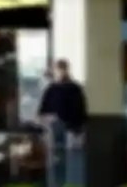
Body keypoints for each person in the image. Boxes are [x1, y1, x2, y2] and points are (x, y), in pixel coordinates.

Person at [37, 59, 88, 187]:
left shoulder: (63, 89)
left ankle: (61, 182)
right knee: (60, 160)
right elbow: (42, 111)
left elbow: (80, 110)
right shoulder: (57, 89)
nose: (59, 73)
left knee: (64, 160)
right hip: (61, 128)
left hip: (67, 128)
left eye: (60, 69)